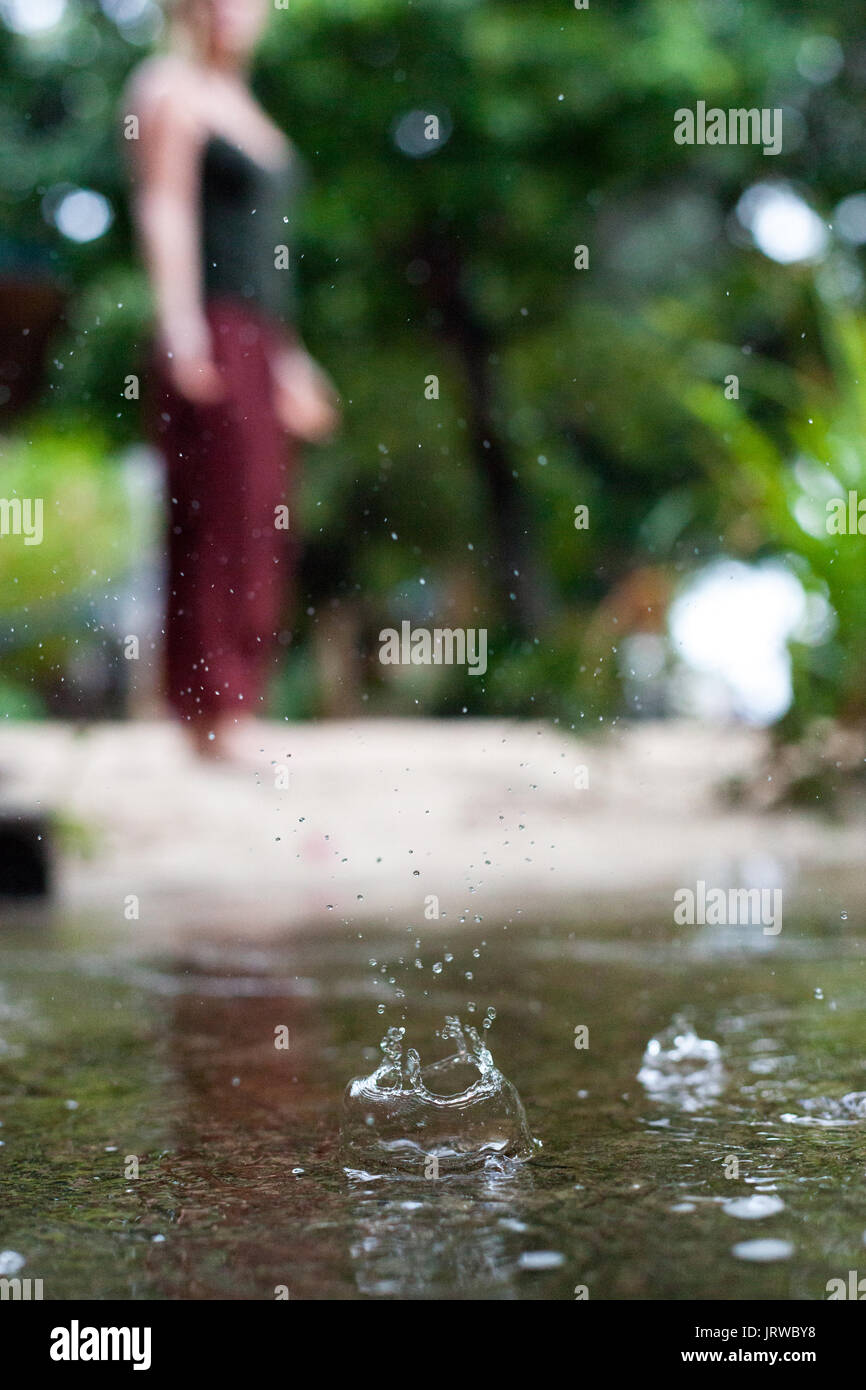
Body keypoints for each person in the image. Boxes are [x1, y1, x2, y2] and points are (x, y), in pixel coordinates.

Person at [124, 0, 337, 760]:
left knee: (261, 515)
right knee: (214, 511)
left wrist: (289, 356)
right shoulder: (167, 90)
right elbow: (165, 209)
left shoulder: (248, 107)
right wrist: (180, 326)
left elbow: (265, 261)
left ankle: (238, 698)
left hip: (260, 335)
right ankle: (207, 710)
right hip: (210, 325)